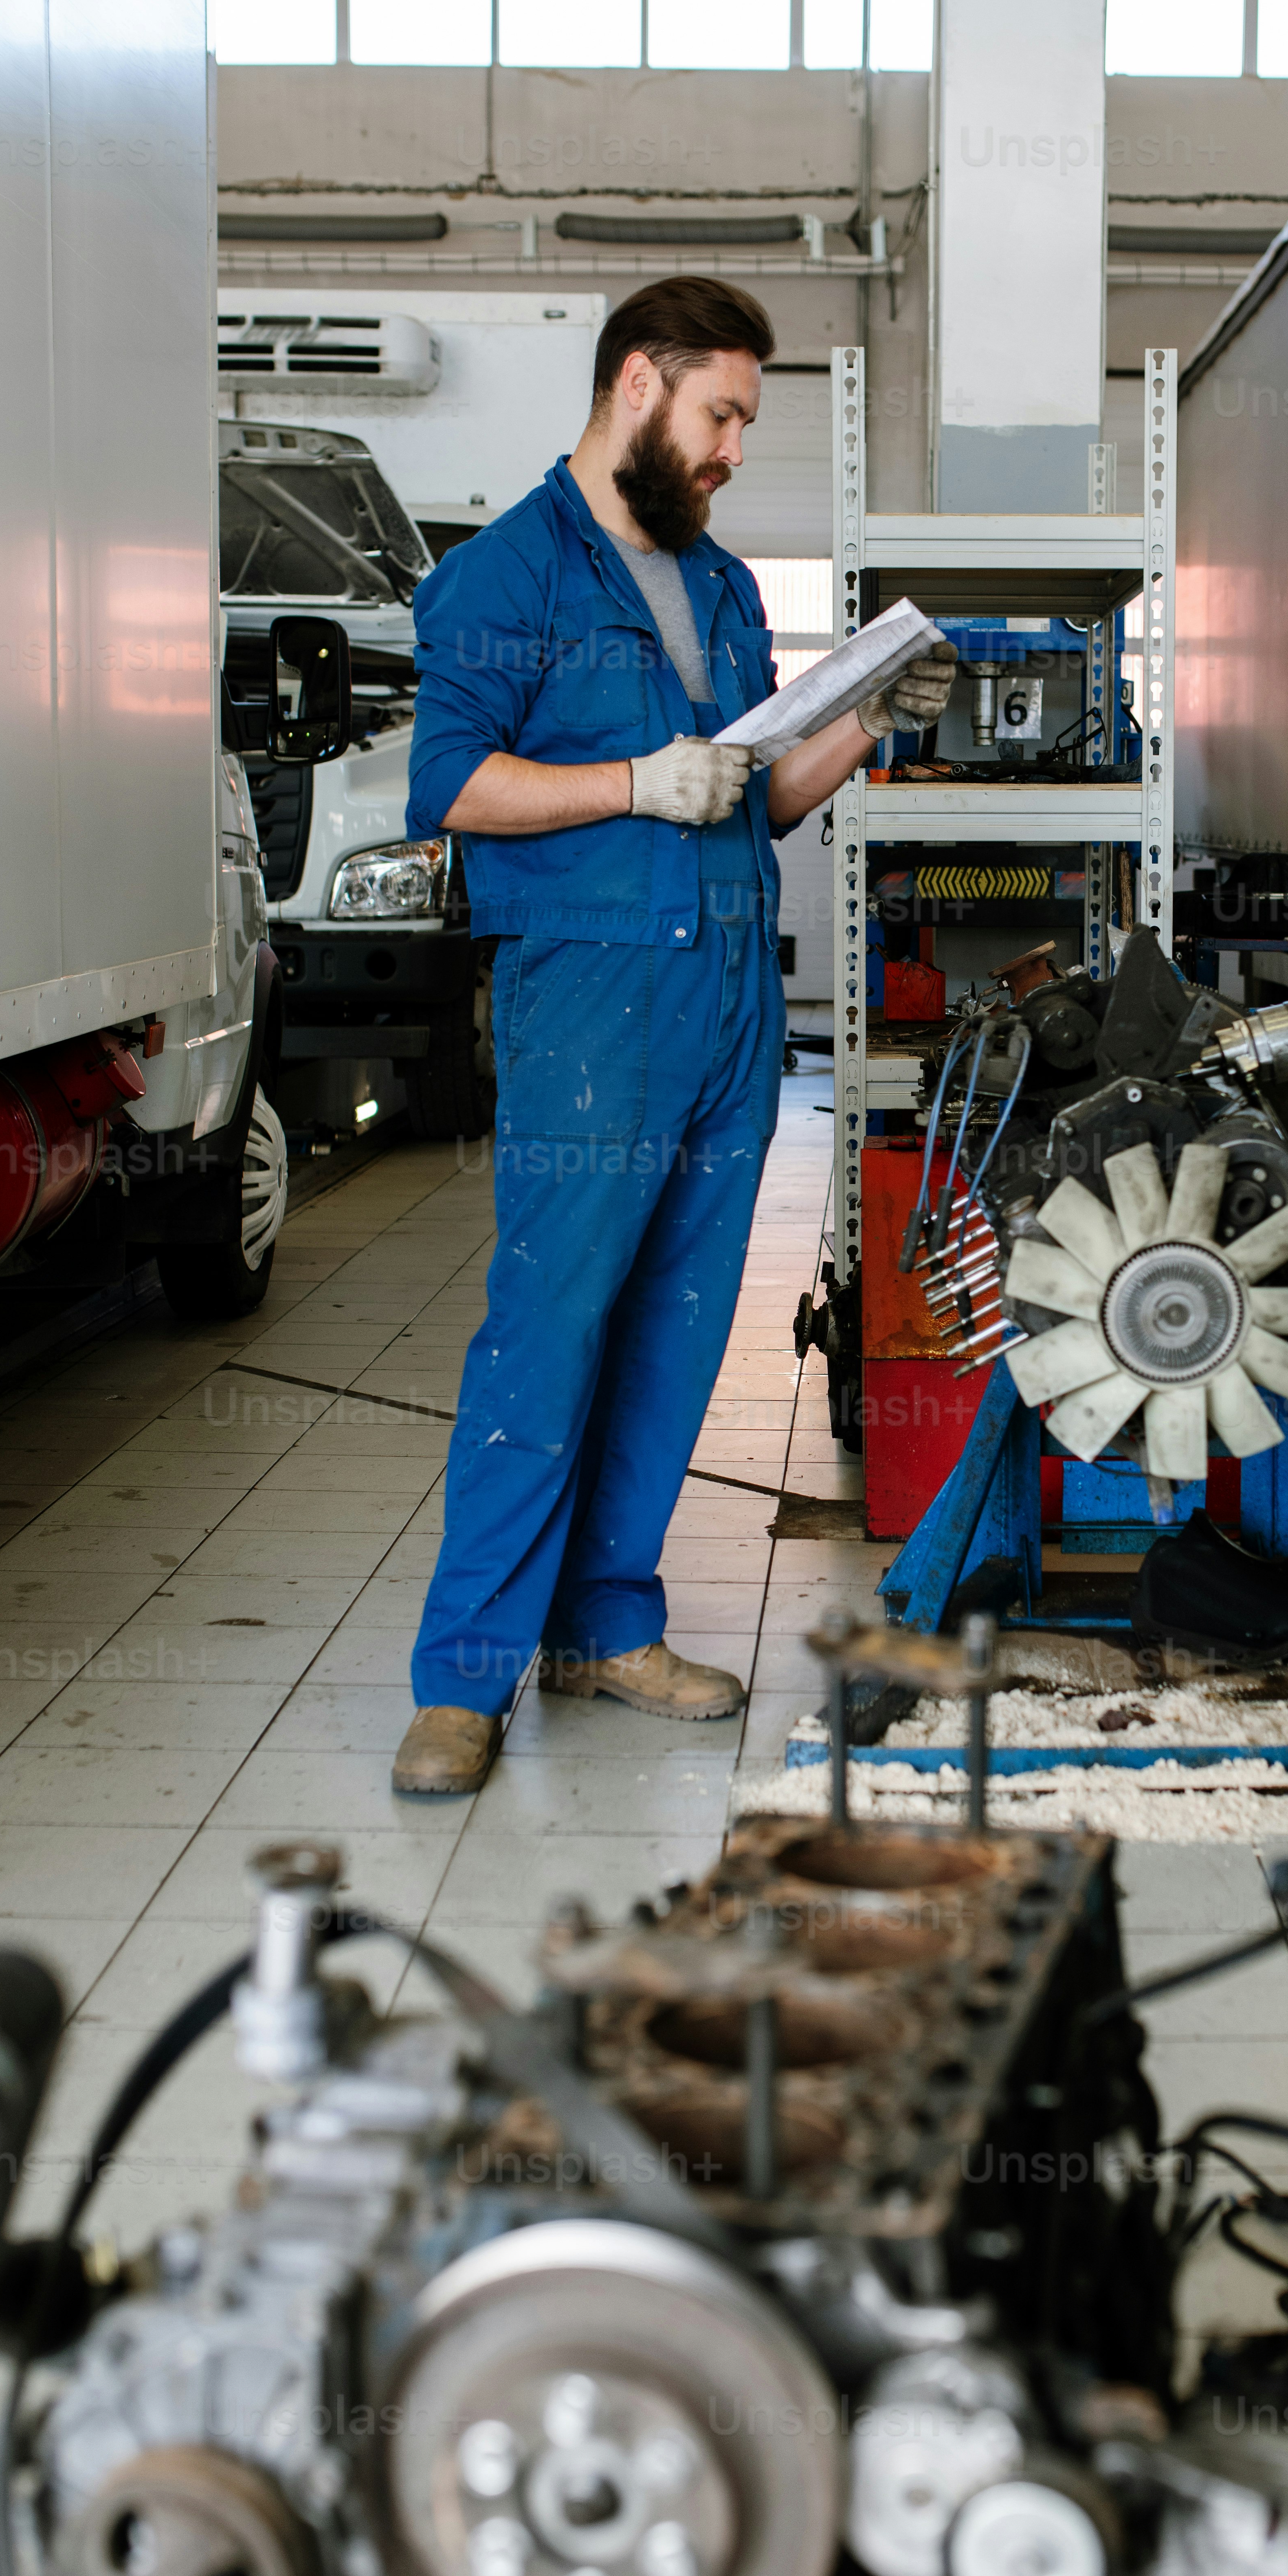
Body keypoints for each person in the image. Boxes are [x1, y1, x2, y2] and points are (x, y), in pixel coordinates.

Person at [391, 275, 953, 1797]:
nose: (731, 453)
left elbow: (755, 792)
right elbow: (447, 786)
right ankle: (465, 1678)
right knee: (549, 1329)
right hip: (590, 997)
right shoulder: (510, 573)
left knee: (677, 1327)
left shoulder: (713, 584)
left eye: (745, 427)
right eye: (723, 416)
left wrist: (868, 723)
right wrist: (634, 784)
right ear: (640, 383)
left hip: (724, 997)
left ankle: (607, 1626)